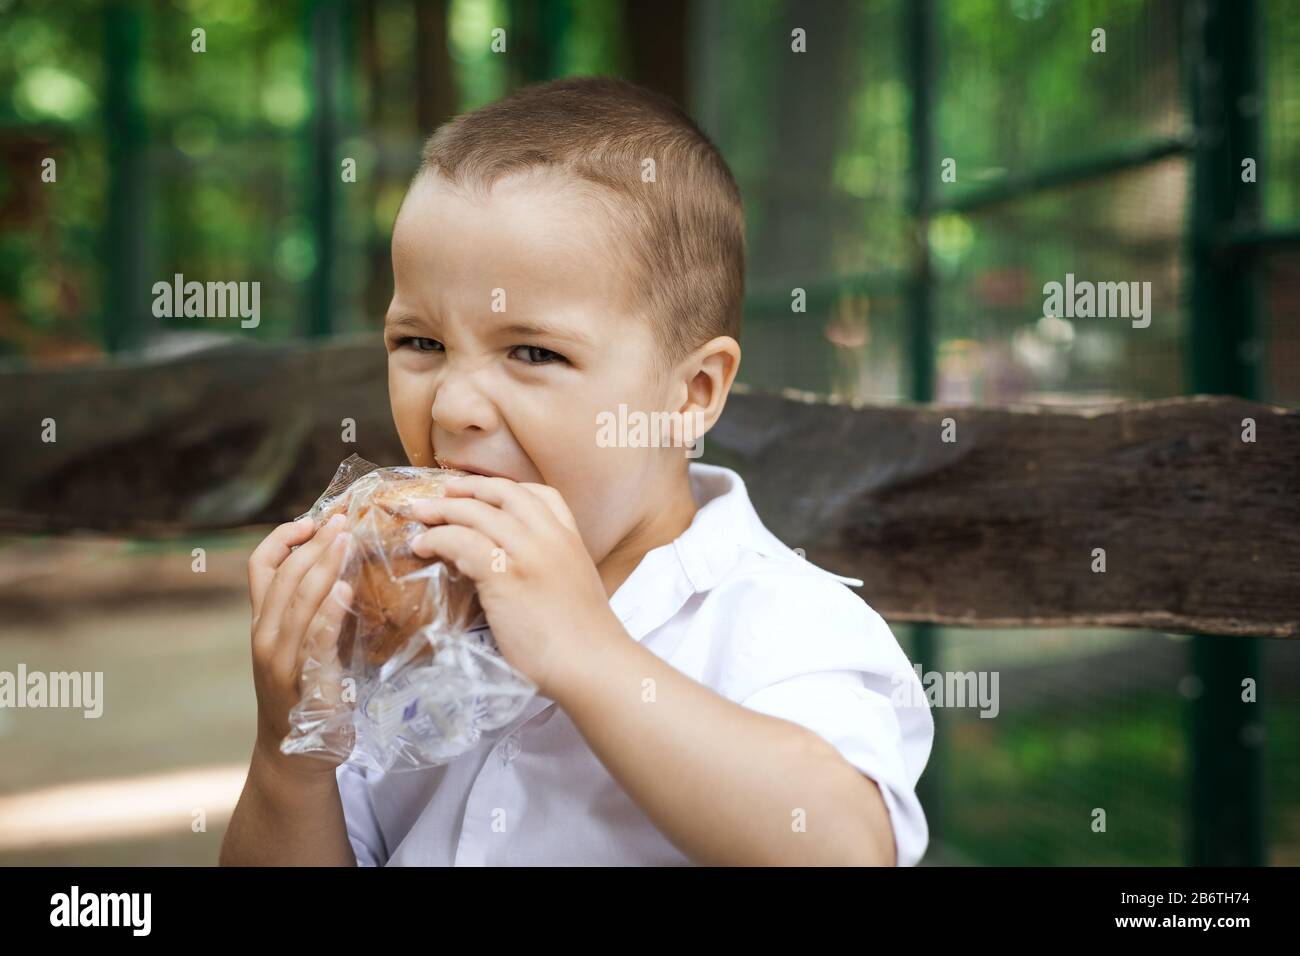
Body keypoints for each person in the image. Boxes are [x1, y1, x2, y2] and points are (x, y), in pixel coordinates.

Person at [220, 76, 932, 867]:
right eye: (420, 343)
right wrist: (292, 763)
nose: (454, 406)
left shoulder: (778, 622)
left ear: (688, 395)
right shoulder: (402, 626)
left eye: (533, 352)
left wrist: (587, 653)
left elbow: (844, 848)